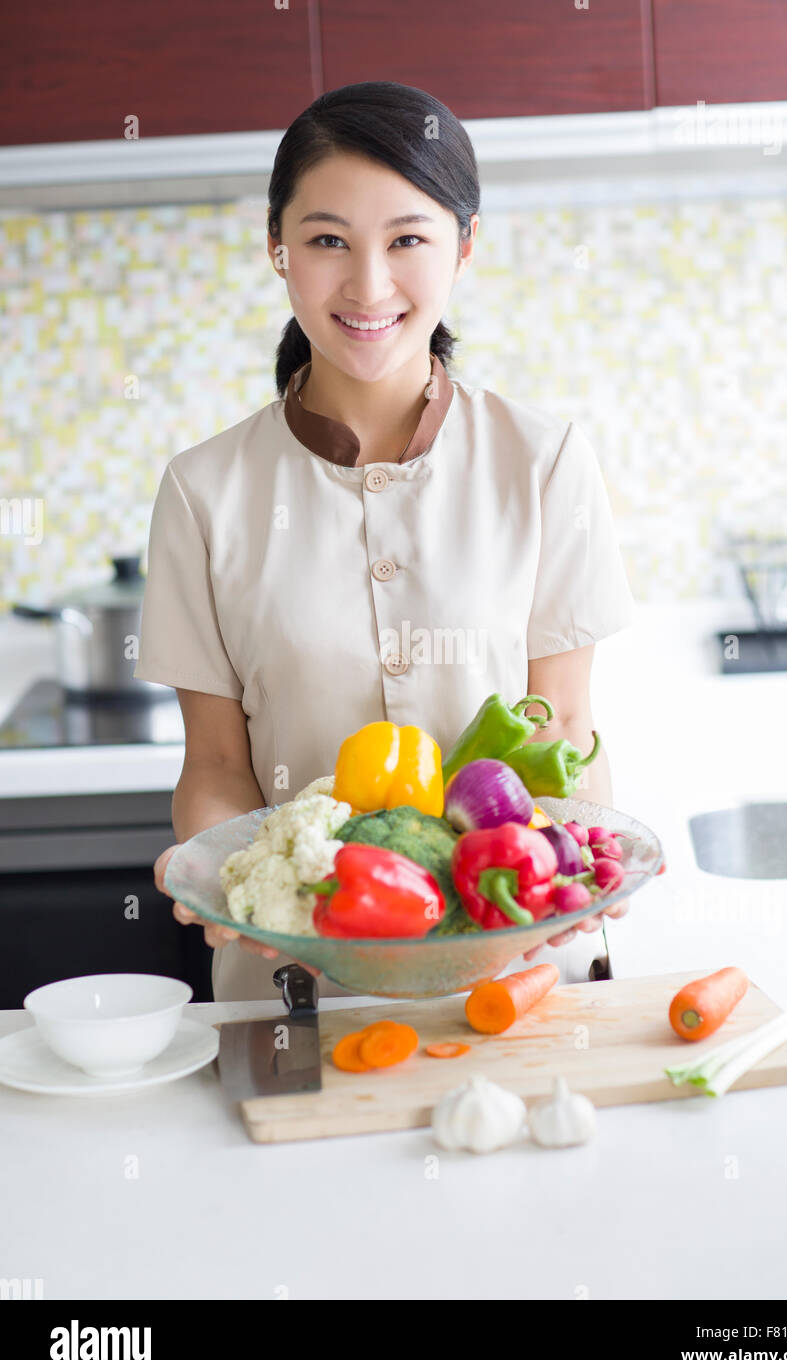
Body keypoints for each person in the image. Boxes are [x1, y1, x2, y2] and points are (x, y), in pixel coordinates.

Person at [137, 80, 635, 1003]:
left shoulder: (544, 461)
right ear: (277, 250)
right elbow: (214, 767)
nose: (368, 285)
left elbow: (563, 725)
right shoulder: (202, 492)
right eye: (328, 240)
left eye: (408, 239)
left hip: (512, 947)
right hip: (298, 971)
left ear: (465, 245)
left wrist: (581, 868)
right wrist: (231, 886)